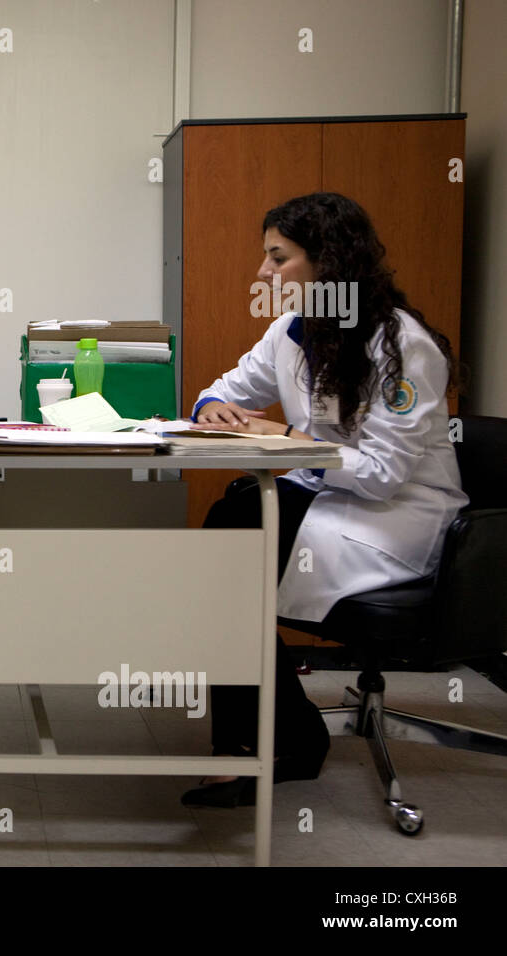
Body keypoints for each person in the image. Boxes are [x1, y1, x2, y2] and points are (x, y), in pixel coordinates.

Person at [182, 192, 467, 807]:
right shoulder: (292, 330)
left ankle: (266, 745)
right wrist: (215, 408)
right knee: (231, 527)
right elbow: (223, 388)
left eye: (278, 258)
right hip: (330, 496)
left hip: (393, 517)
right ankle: (273, 738)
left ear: (328, 265)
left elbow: (385, 475)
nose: (263, 273)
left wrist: (285, 437)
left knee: (232, 547)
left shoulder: (399, 346)